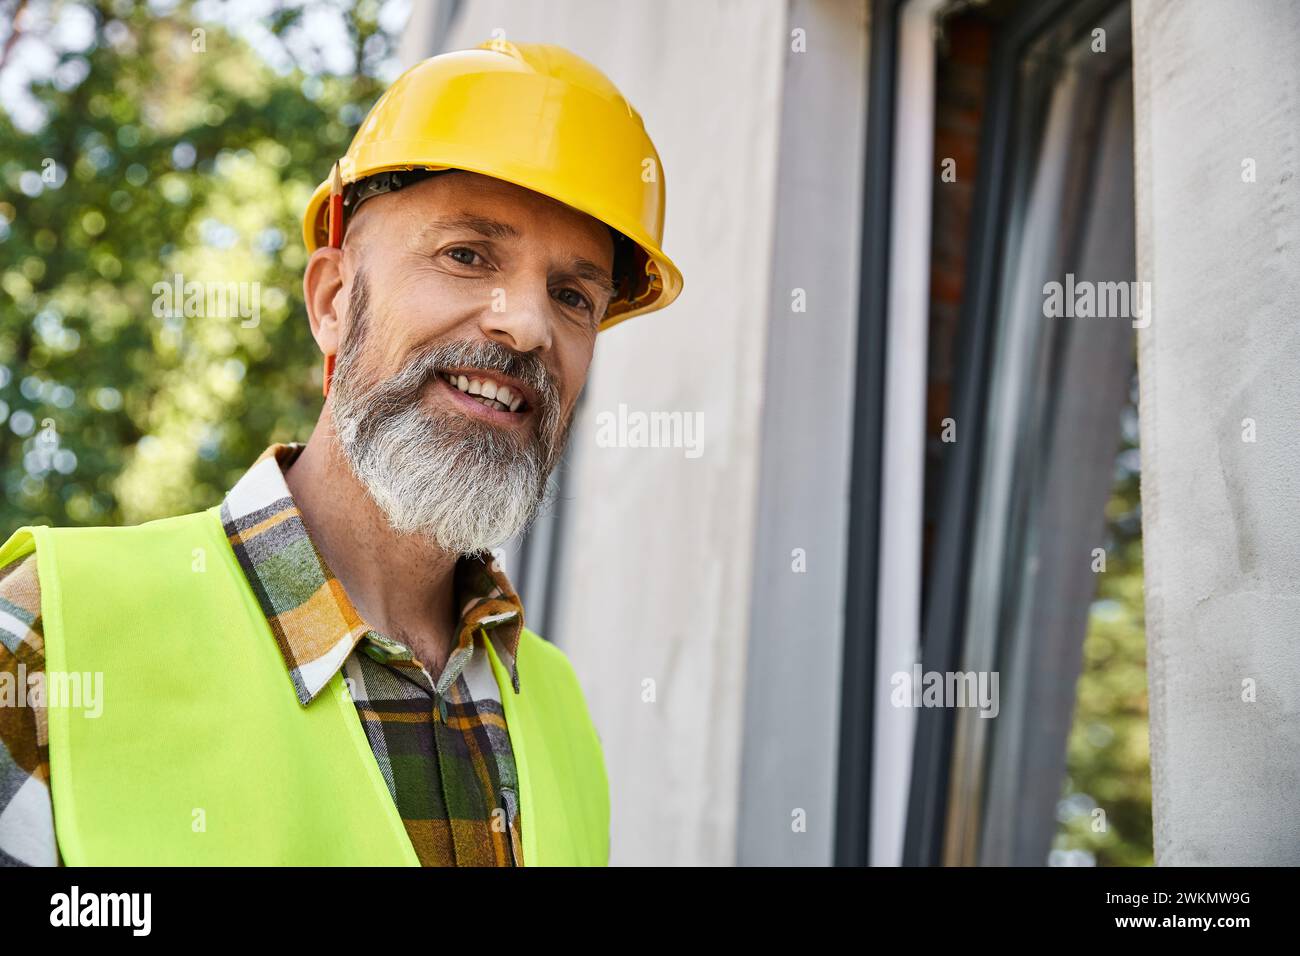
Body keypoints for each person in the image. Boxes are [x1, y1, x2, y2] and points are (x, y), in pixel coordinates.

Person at [0, 37, 682, 867]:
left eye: (572, 296)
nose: (528, 325)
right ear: (331, 301)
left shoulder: (561, 711)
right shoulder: (49, 638)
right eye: (467, 255)